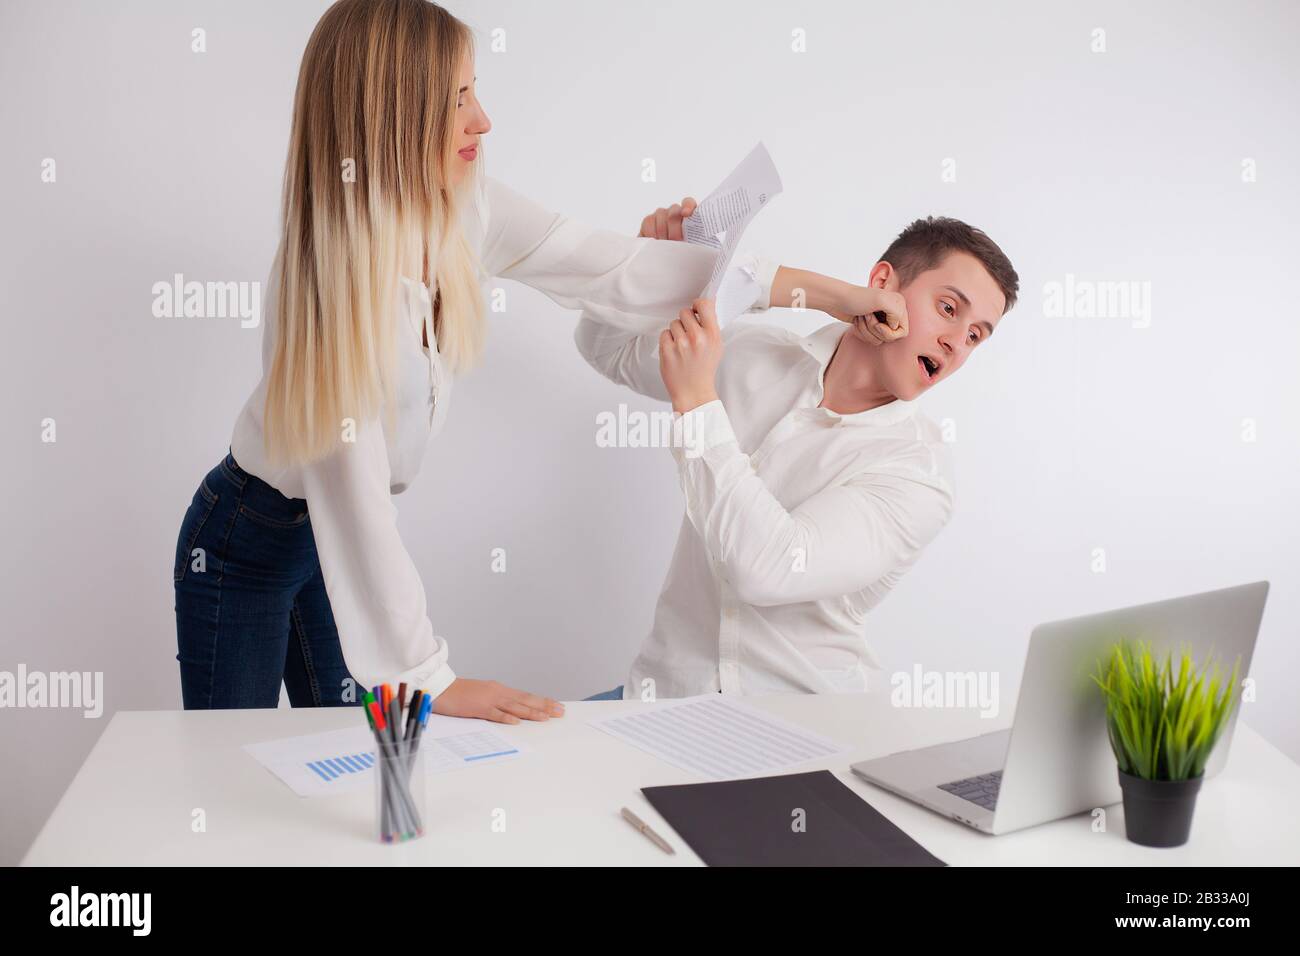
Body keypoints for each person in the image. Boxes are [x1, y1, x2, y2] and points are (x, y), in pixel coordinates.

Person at [171, 0, 886, 718]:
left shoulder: (464, 207)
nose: (482, 119)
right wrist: (433, 679)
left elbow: (611, 268)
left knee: (363, 758)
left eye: (475, 90)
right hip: (244, 542)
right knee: (232, 765)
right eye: (457, 99)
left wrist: (829, 296)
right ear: (393, 113)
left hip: (323, 544)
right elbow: (355, 502)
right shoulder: (345, 294)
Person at [576, 213, 1019, 699]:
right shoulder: (751, 354)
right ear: (882, 283)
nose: (956, 343)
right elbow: (607, 350)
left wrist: (698, 402)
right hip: (661, 696)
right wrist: (650, 265)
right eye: (949, 308)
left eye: (976, 335)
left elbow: (771, 568)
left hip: (798, 726)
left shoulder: (919, 474)